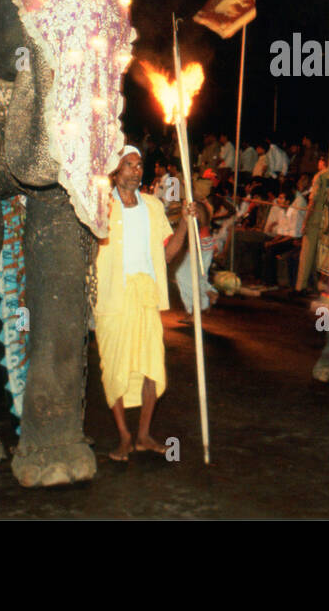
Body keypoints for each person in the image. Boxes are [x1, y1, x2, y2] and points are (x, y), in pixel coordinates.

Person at [92, 146, 195, 462]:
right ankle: (123, 435)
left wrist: (186, 224)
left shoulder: (152, 206)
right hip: (113, 297)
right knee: (115, 367)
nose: (135, 171)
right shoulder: (101, 206)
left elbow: (166, 254)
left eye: (139, 166)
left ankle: (143, 435)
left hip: (146, 295)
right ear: (116, 170)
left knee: (152, 367)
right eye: (128, 165)